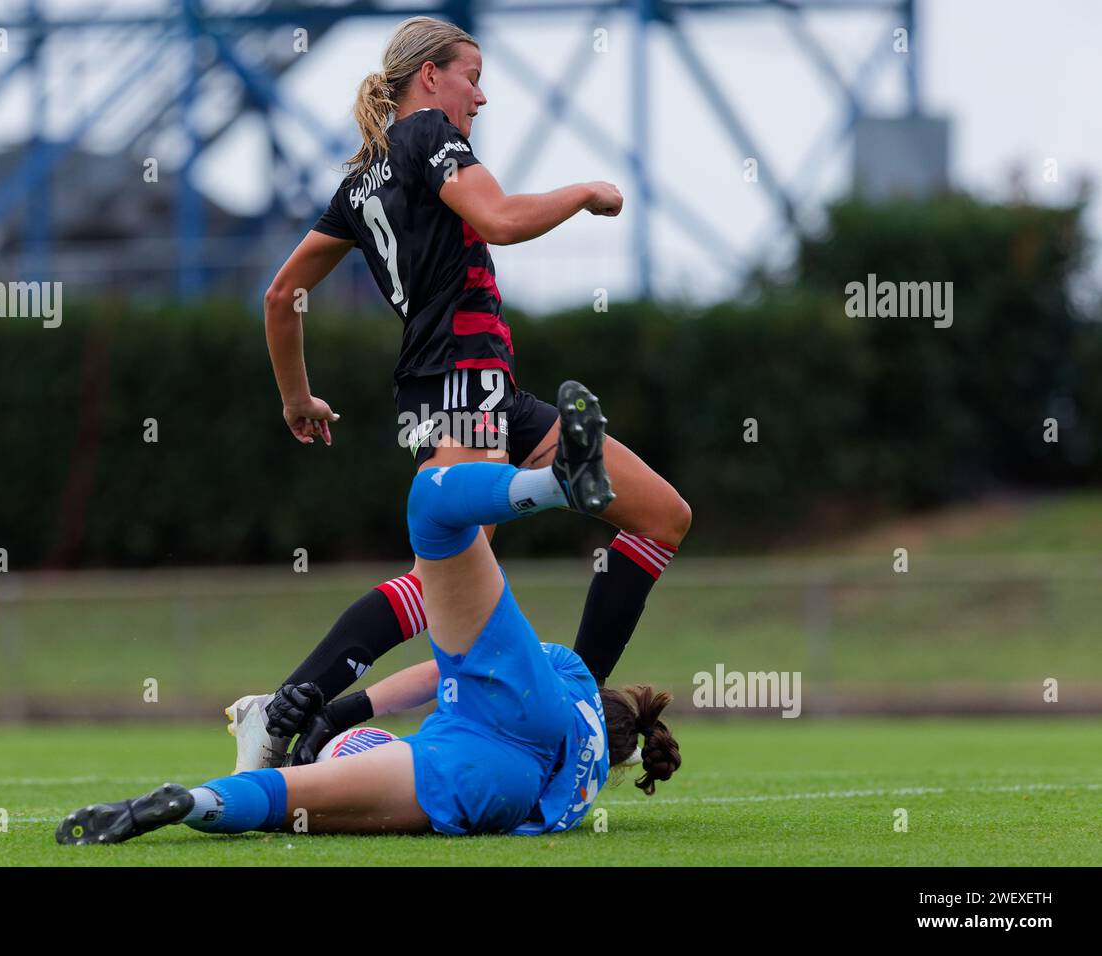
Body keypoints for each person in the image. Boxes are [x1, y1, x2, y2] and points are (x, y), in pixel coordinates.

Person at [241, 14, 692, 771]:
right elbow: (502, 219)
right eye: (471, 77)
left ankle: (573, 694)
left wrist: (297, 399)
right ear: (429, 78)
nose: (479, 98)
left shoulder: (359, 183)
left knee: (661, 517)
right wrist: (584, 190)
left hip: (492, 390)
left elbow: (281, 295)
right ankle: (286, 704)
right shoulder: (424, 137)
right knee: (441, 582)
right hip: (456, 382)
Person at [56, 383, 680, 844]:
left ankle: (239, 751)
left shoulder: (568, 684)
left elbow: (283, 297)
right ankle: (202, 795)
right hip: (505, 765)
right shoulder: (577, 743)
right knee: (295, 798)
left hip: (496, 730)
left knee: (434, 533)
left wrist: (345, 710)